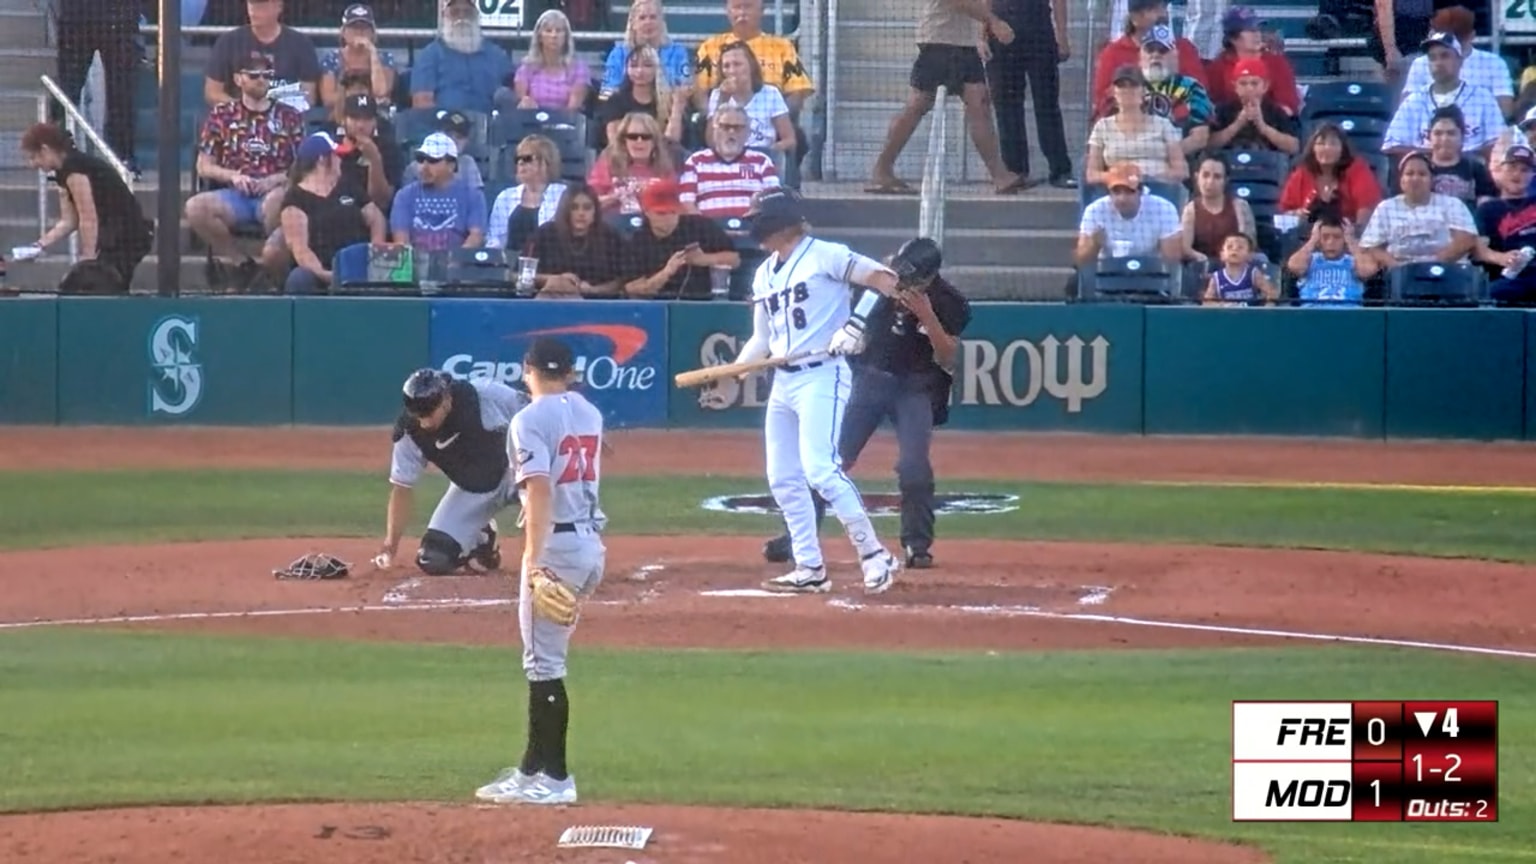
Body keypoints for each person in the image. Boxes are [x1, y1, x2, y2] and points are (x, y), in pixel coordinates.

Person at [728, 189, 903, 594]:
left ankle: (875, 555)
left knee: (821, 470)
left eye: (757, 217)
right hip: (784, 380)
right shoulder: (764, 272)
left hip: (823, 374)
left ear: (778, 220)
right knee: (783, 478)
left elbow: (885, 281)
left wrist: (856, 326)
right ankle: (809, 567)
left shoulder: (826, 254)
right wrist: (735, 371)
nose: (751, 225)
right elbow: (761, 339)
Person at [761, 238, 970, 569]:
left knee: (913, 466)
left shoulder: (950, 302)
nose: (902, 283)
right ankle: (797, 537)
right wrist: (850, 339)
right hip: (871, 379)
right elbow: (852, 327)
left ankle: (917, 545)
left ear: (931, 277)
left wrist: (927, 317)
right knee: (831, 460)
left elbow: (948, 357)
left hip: (916, 386)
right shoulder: (878, 286)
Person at [474, 336, 606, 806]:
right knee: (543, 662)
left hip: (557, 549)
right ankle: (530, 771)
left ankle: (556, 778)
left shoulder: (527, 419)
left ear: (525, 368)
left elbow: (541, 488)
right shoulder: (590, 412)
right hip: (588, 542)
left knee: (544, 666)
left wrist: (536, 561)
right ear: (571, 373)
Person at [372, 367, 527, 578]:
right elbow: (402, 488)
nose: (424, 422)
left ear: (445, 399)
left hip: (521, 475)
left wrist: (541, 489)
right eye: (419, 415)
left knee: (556, 551)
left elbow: (535, 416)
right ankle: (481, 539)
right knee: (433, 558)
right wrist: (390, 545)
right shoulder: (410, 432)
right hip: (474, 490)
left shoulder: (485, 395)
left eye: (429, 413)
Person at [865, 0, 1025, 196]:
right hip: (940, 40)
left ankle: (1000, 176)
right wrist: (993, 21)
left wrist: (982, 35)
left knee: (979, 104)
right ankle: (882, 169)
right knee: (918, 105)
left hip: (965, 43)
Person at [187, 52, 305, 291]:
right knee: (195, 207)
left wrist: (276, 179)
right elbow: (204, 165)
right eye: (253, 75)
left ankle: (274, 269)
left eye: (266, 75)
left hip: (274, 190)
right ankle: (242, 265)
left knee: (279, 202)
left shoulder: (289, 116)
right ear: (239, 79)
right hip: (236, 194)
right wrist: (233, 176)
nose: (261, 79)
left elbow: (303, 166)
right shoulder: (222, 115)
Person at [18, 122, 153, 295]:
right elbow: (69, 220)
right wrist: (39, 245)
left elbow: (88, 217)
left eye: (33, 157)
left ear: (45, 150)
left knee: (104, 285)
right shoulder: (63, 173)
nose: (32, 164)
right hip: (114, 233)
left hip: (125, 234)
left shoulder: (75, 169)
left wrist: (88, 262)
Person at [277, 132, 388, 294]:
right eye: (336, 156)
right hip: (323, 270)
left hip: (358, 263)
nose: (340, 161)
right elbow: (300, 249)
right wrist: (326, 275)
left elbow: (376, 218)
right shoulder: (295, 199)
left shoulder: (347, 186)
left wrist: (374, 253)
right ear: (322, 160)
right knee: (299, 279)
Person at [983, 0, 1075, 188]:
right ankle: (1016, 171)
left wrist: (1062, 36)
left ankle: (1060, 170)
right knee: (1006, 105)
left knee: (1047, 102)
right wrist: (982, 35)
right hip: (1001, 28)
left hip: (1038, 27)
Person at [1382, 30, 1503, 158]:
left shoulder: (1482, 98)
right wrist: (1439, 156)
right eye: (1432, 58)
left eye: (1445, 56)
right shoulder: (1414, 101)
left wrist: (1459, 159)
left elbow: (1500, 143)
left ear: (1460, 61)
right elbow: (1391, 146)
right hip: (1426, 172)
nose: (1438, 63)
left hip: (1471, 173)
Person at [53, 0, 140, 175]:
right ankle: (53, 150)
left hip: (108, 16)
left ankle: (122, 155)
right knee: (68, 88)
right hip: (101, 16)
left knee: (120, 91)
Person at [621, 179, 740, 299]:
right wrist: (666, 273)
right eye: (661, 213)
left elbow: (735, 259)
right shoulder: (638, 241)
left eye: (673, 212)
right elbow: (632, 289)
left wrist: (705, 259)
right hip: (657, 305)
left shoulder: (700, 226)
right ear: (647, 212)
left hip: (700, 301)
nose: (668, 218)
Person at [1359, 151, 1478, 268]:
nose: (1415, 178)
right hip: (1400, 275)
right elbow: (1371, 246)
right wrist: (1397, 268)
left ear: (1432, 180)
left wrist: (1432, 264)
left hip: (1447, 270)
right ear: (1401, 181)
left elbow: (1466, 239)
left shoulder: (1452, 204)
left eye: (1422, 174)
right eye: (1409, 174)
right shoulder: (1385, 207)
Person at [204, 0, 322, 112]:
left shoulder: (301, 44)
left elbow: (309, 96)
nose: (253, 11)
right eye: (251, 4)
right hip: (239, 121)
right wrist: (247, 108)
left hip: (285, 121)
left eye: (261, 5)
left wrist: (275, 110)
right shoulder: (228, 42)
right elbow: (212, 93)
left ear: (278, 6)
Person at [1403, 7, 1515, 118]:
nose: (1451, 42)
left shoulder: (1493, 63)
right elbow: (1405, 110)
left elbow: (1506, 110)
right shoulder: (1420, 64)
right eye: (1444, 35)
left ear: (1472, 35)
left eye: (1457, 36)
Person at [1084, 66, 1187, 184]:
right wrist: (1116, 177)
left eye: (1133, 85)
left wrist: (1151, 178)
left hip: (1157, 187)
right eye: (1121, 86)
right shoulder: (1102, 127)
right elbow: (1091, 174)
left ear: (1144, 91)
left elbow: (1181, 171)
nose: (1127, 90)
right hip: (1117, 190)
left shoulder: (1163, 125)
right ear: (1113, 91)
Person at [389, 133, 487, 253]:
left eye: (432, 160)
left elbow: (476, 237)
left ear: (451, 165)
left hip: (457, 267)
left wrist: (454, 263)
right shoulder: (404, 196)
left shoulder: (473, 196)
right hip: (417, 265)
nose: (424, 167)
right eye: (420, 159)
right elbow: (402, 242)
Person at [411, 0, 514, 114]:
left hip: (490, 126)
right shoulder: (429, 55)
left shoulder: (497, 55)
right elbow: (422, 102)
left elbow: (512, 98)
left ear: (477, 16)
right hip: (445, 126)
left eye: (467, 12)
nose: (462, 17)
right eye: (455, 12)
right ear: (444, 16)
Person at [679, 104, 781, 218]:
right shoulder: (695, 162)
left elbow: (774, 201)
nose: (731, 132)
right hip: (709, 232)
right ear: (715, 129)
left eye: (738, 128)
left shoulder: (762, 162)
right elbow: (686, 204)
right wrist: (706, 228)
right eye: (725, 127)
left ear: (747, 132)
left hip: (753, 231)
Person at [1074, 162, 1183, 267]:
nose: (1122, 199)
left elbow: (1173, 262)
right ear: (1109, 193)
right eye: (1116, 192)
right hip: (1107, 271)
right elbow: (1081, 262)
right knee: (1073, 283)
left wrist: (1166, 243)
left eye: (1129, 192)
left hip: (1152, 270)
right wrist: (1094, 244)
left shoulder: (1164, 209)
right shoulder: (1094, 211)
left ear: (1141, 192)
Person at [526, 186, 627, 298]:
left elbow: (622, 280)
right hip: (551, 301)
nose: (581, 213)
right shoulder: (545, 234)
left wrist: (594, 290)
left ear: (595, 211)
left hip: (596, 305)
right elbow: (517, 275)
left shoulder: (610, 236)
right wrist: (554, 279)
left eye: (587, 208)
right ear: (565, 210)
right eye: (574, 208)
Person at [1279, 123, 1383, 226]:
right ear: (1313, 149)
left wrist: (1354, 235)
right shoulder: (1301, 173)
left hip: (1347, 236)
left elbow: (1366, 209)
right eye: (1321, 144)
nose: (1326, 148)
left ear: (1343, 149)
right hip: (1306, 237)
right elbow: (1285, 213)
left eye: (1333, 144)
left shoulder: (1358, 169)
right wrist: (1296, 214)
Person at [1205, 7, 1301, 118]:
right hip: (1231, 125)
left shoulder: (1276, 63)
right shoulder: (1219, 66)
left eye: (1257, 29)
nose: (1257, 34)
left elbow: (1288, 107)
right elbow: (1212, 107)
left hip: (1273, 124)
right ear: (1233, 38)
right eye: (1250, 30)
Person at [705, 42, 796, 158]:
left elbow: (789, 140)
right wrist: (723, 100)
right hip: (728, 156)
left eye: (737, 64)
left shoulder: (770, 93)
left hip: (763, 153)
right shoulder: (717, 95)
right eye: (726, 66)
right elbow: (711, 143)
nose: (732, 71)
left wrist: (769, 153)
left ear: (751, 66)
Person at [1474, 144, 1536, 304]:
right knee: (1490, 294)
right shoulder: (1488, 209)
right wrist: (1501, 258)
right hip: (1506, 279)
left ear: (1532, 175)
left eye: (1524, 170)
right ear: (1500, 171)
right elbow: (1478, 250)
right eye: (1512, 167)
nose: (1518, 174)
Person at [595, 45, 689, 151]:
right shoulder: (615, 101)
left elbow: (673, 143)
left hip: (662, 158)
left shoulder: (670, 101)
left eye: (647, 65)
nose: (639, 71)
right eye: (634, 66)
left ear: (657, 69)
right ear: (627, 70)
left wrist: (677, 109)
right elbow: (614, 143)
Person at [499, 10, 591, 113]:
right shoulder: (526, 68)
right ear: (539, 37)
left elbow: (572, 111)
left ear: (566, 36)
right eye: (548, 30)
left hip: (566, 125)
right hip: (532, 124)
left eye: (559, 30)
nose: (554, 35)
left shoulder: (579, 69)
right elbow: (522, 104)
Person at [486, 135, 567, 252]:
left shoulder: (562, 195)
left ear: (545, 162)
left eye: (527, 159)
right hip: (510, 264)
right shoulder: (506, 197)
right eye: (518, 159)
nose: (520, 163)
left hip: (550, 262)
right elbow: (495, 239)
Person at [588, 112, 677, 215]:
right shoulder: (608, 164)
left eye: (646, 137)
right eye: (633, 136)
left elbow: (673, 207)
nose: (639, 141)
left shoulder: (664, 168)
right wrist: (618, 196)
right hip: (614, 224)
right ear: (623, 141)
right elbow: (591, 204)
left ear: (654, 142)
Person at [1206, 56, 1299, 154]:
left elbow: (1294, 147)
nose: (1249, 88)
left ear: (1265, 86)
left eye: (1254, 83)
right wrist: (1237, 124)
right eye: (1243, 83)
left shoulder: (1276, 111)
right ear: (1235, 86)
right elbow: (1209, 144)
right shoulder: (1223, 110)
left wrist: (1263, 127)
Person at [601, 0, 694, 93]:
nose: (648, 22)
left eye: (653, 17)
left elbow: (685, 87)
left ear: (661, 21)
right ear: (633, 23)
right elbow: (606, 91)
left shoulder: (677, 52)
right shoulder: (618, 53)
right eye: (642, 18)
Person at [1285, 215, 1377, 307]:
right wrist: (1312, 240)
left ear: (1344, 239)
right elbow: (1294, 266)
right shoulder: (1308, 260)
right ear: (1318, 239)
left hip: (1349, 315)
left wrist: (1351, 241)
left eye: (1337, 237)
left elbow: (1367, 271)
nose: (1330, 242)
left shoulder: (1356, 261)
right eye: (1325, 237)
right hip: (1312, 315)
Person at [318, 3, 398, 108]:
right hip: (341, 114)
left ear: (373, 33)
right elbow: (328, 99)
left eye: (365, 28)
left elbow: (381, 93)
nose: (360, 32)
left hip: (375, 114)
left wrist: (373, 53)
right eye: (354, 27)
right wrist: (360, 98)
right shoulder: (331, 59)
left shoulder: (385, 58)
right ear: (344, 32)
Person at [335, 92, 404, 212]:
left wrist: (375, 159)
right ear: (343, 120)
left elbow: (382, 201)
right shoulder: (331, 147)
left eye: (367, 119)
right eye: (355, 118)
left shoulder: (388, 148)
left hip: (373, 213)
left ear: (375, 122)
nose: (361, 125)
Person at [1181, 154, 1256, 263]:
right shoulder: (1190, 209)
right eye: (1205, 175)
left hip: (1235, 263)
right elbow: (1186, 248)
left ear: (1226, 180)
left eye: (1217, 177)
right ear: (1197, 177)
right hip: (1202, 265)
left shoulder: (1240, 206)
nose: (1210, 182)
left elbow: (1248, 245)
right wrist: (1203, 259)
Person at [1424, 107, 1496, 208]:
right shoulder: (1420, 167)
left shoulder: (1476, 169)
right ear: (1429, 137)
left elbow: (1487, 205)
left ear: (1462, 136)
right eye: (1438, 133)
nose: (1444, 139)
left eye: (1451, 133)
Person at [403, 109, 485, 191]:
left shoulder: (467, 163)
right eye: (449, 135)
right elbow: (407, 198)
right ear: (437, 133)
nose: (454, 140)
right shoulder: (417, 166)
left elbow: (475, 197)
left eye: (460, 137)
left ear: (467, 141)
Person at [1202, 233, 1277, 305]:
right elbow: (1207, 302)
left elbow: (1271, 293)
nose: (1234, 250)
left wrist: (1268, 307)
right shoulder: (1216, 277)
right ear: (1222, 255)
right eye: (1229, 247)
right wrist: (1222, 306)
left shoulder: (1253, 273)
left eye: (1240, 247)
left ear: (1249, 255)